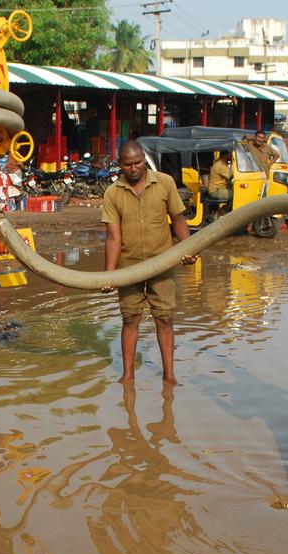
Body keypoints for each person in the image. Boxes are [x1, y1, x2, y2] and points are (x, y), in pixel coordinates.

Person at [100, 140, 198, 384]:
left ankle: (169, 377)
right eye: (128, 164)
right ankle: (128, 375)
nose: (134, 168)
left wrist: (189, 249)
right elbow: (113, 236)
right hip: (129, 268)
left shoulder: (165, 182)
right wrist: (108, 275)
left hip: (162, 264)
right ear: (120, 165)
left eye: (138, 162)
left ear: (144, 159)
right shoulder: (112, 193)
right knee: (130, 318)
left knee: (164, 318)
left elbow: (178, 220)